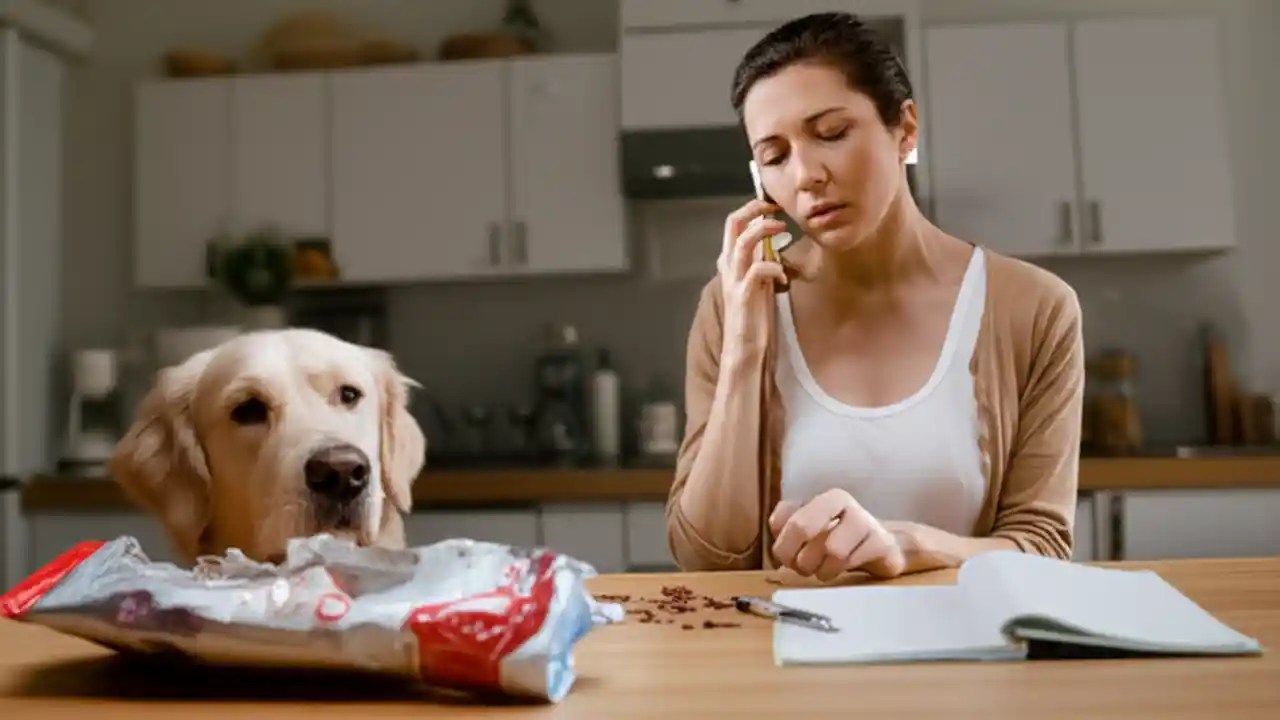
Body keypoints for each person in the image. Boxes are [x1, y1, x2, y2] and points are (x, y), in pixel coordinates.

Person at [667, 12, 1085, 580]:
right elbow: (705, 560)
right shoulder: (734, 305)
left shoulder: (1036, 310)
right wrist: (744, 349)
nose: (806, 174)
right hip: (788, 660)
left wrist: (910, 544)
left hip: (971, 660)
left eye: (831, 133)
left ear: (904, 130)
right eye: (774, 156)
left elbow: (1043, 546)